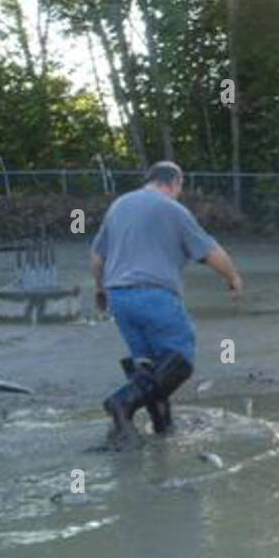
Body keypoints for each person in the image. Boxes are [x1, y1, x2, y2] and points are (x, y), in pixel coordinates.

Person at [89, 161, 242, 445]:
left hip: (119, 297)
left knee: (149, 369)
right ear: (175, 182)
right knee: (180, 361)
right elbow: (210, 251)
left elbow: (97, 256)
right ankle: (122, 403)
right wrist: (232, 278)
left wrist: (99, 288)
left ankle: (162, 426)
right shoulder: (172, 209)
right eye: (180, 187)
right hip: (155, 295)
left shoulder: (119, 206)